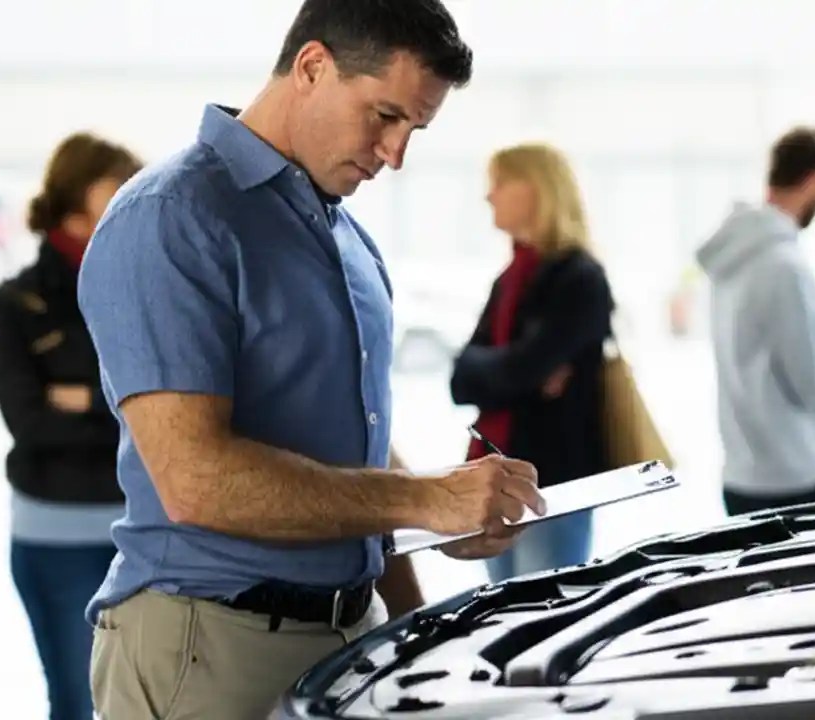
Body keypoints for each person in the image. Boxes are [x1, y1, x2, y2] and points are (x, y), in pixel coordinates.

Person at [76, 3, 544, 718]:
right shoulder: (172, 217)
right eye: (384, 115)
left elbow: (350, 445)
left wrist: (415, 615)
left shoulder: (347, 237)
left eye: (413, 130)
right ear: (312, 66)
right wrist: (425, 499)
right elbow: (196, 482)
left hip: (351, 637)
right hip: (210, 647)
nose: (395, 154)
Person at [0, 133, 142, 720]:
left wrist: (83, 401)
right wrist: (129, 411)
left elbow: (190, 409)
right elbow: (29, 422)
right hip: (57, 534)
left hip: (150, 530)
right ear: (77, 195)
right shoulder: (18, 302)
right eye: (117, 181)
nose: (133, 193)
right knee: (78, 702)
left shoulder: (144, 284)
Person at [449, 143, 615, 583]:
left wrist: (511, 370)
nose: (490, 197)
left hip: (554, 485)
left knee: (542, 612)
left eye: (501, 183)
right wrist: (518, 373)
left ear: (538, 189)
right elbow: (461, 379)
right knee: (502, 612)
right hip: (495, 477)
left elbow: (517, 369)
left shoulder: (580, 278)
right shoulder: (510, 279)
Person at [696, 127, 815, 516]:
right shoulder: (784, 266)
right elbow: (809, 382)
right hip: (795, 476)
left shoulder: (730, 253)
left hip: (741, 473)